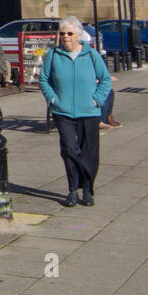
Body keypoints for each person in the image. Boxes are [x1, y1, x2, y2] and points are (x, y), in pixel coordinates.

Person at [38, 15, 112, 207]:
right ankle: (72, 189)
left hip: (89, 111)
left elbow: (105, 79)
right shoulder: (53, 55)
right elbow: (44, 80)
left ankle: (87, 189)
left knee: (90, 152)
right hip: (63, 112)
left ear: (79, 35)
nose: (66, 37)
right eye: (62, 33)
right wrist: (52, 98)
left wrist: (96, 99)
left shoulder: (91, 55)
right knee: (70, 150)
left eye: (70, 33)